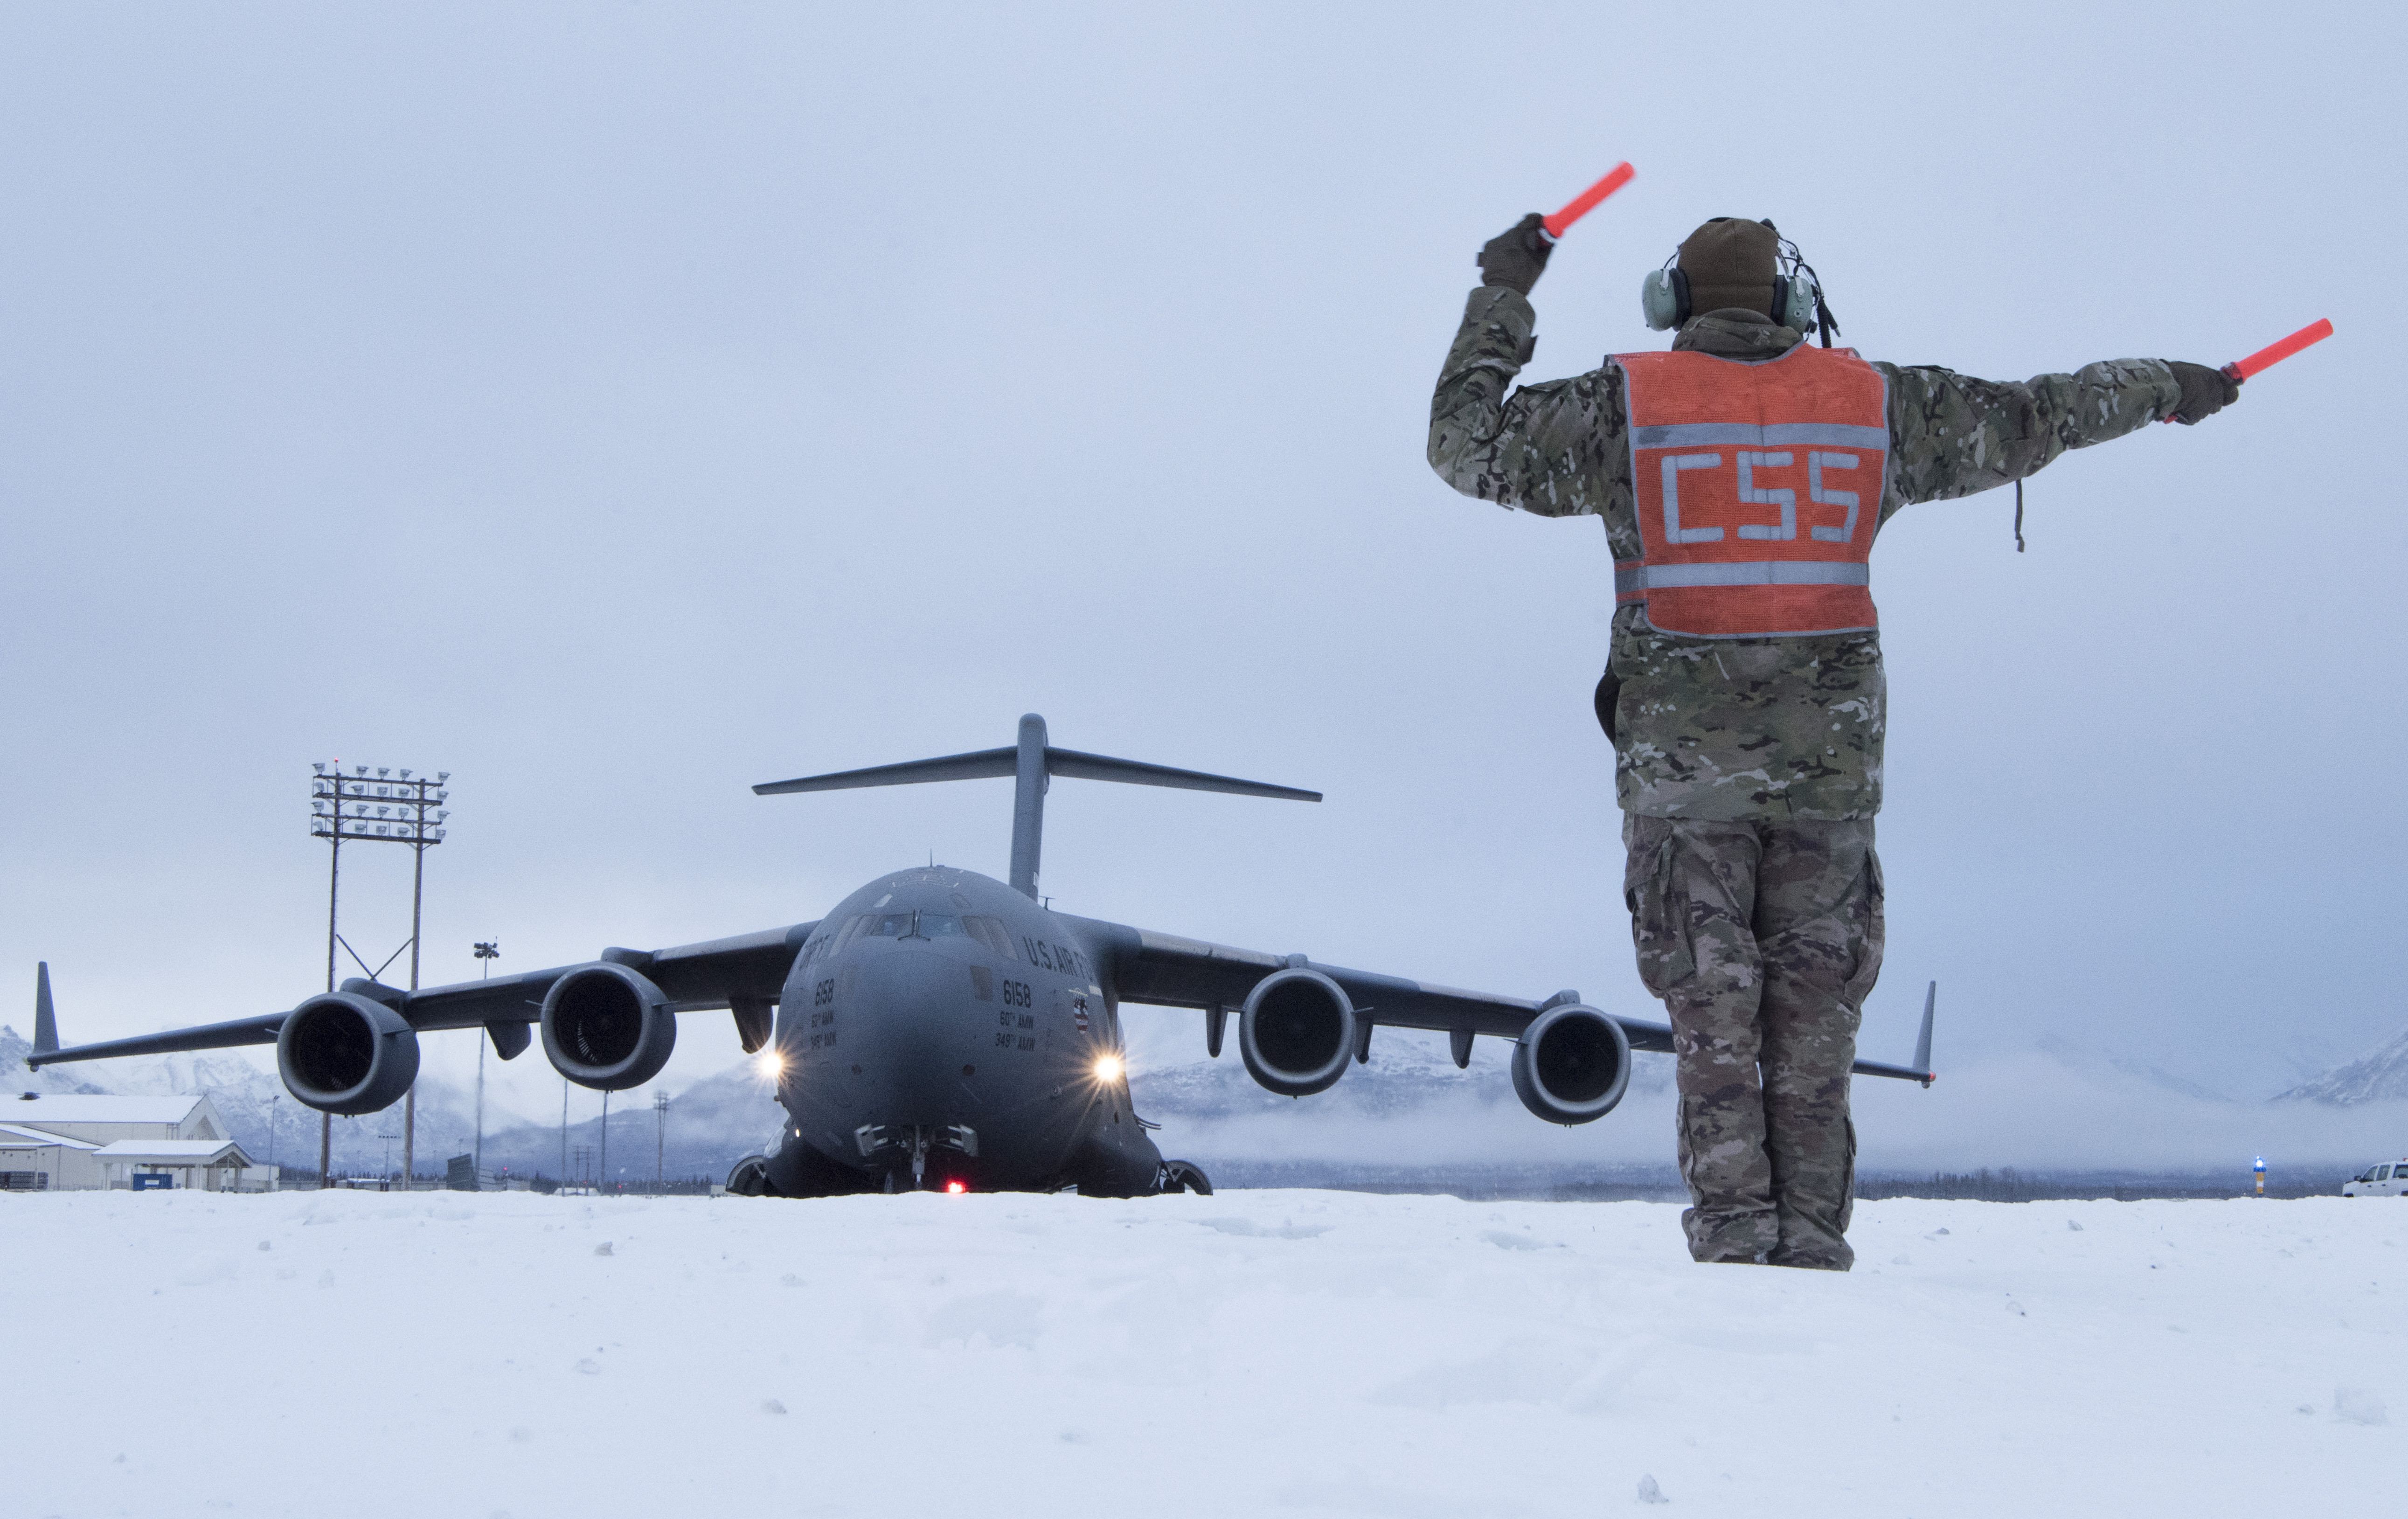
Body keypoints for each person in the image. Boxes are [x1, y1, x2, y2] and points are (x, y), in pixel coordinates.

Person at [1426, 214, 2238, 1269]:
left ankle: (1731, 1244)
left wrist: (1505, 290)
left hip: (1682, 786)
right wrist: (2174, 385)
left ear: (1671, 305)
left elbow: (1462, 445)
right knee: (1813, 1028)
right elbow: (2045, 412)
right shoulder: (1873, 402)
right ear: (1789, 304)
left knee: (1711, 1021)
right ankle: (1810, 1248)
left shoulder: (1616, 409)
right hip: (1828, 783)